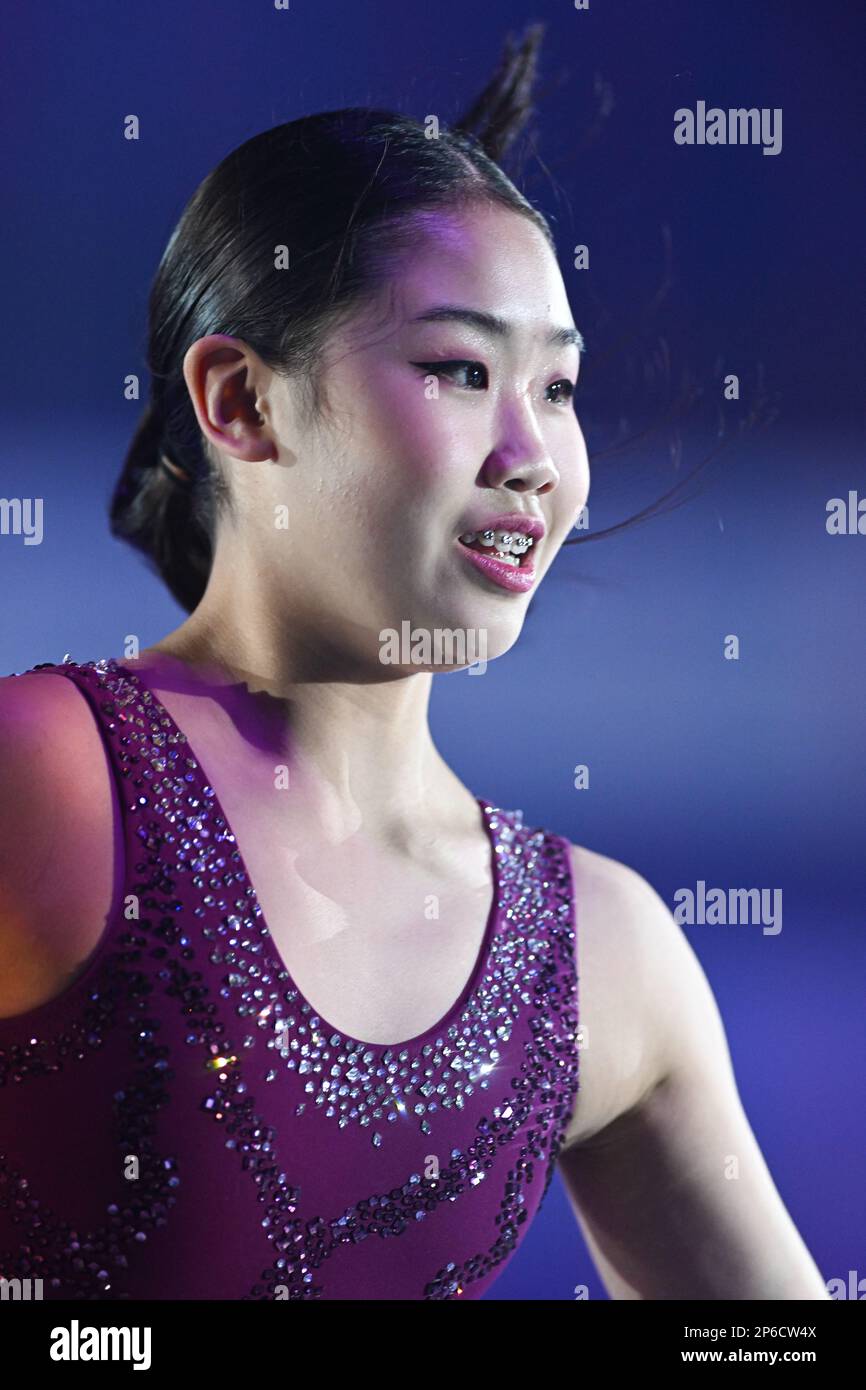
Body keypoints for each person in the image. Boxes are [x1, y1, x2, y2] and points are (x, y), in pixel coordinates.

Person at [0, 27, 828, 1300]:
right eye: (458, 369)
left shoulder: (599, 954)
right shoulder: (50, 786)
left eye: (555, 388)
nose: (532, 453)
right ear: (241, 402)